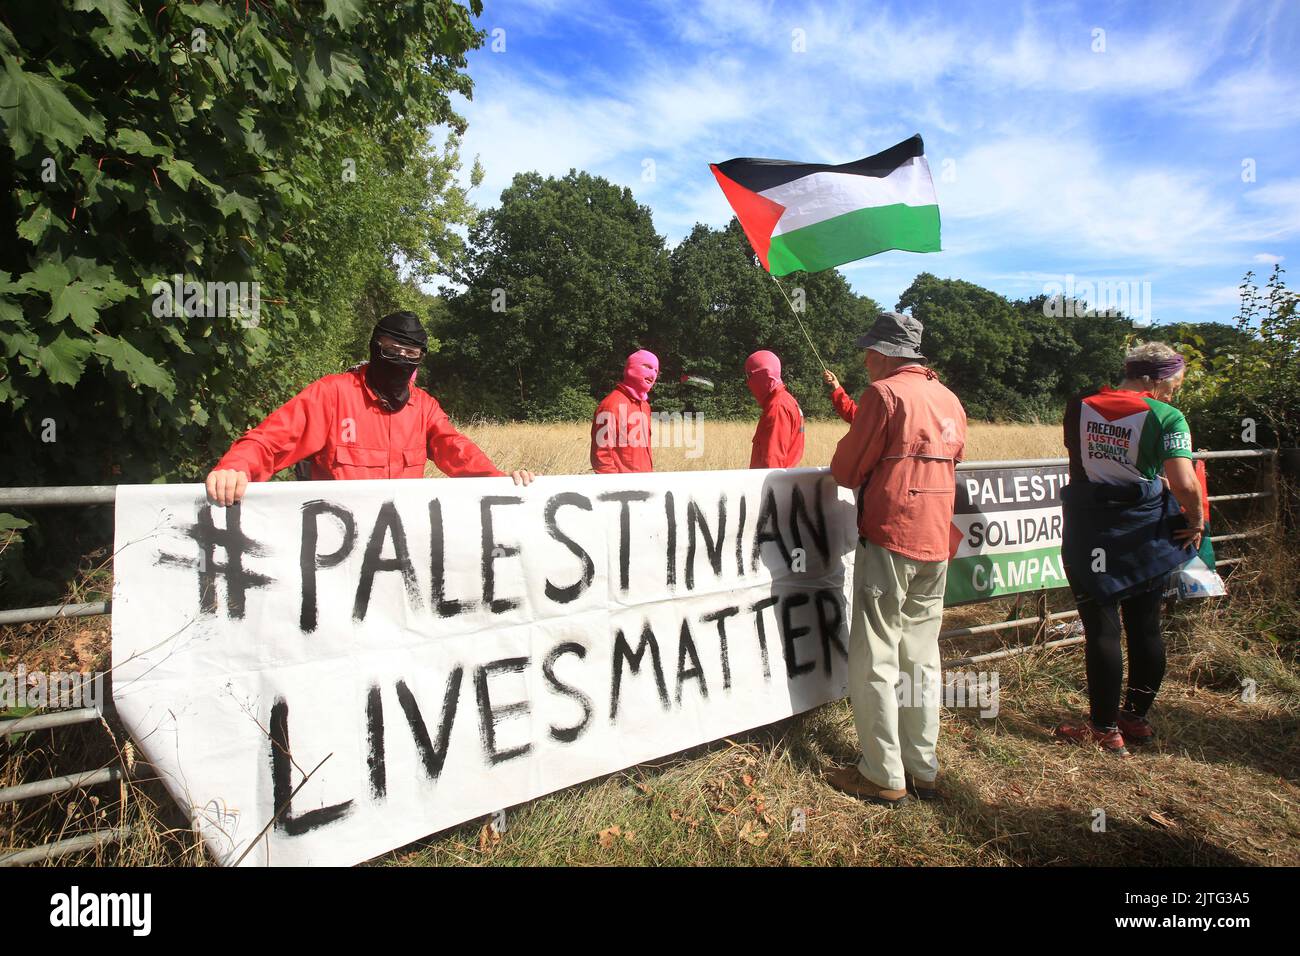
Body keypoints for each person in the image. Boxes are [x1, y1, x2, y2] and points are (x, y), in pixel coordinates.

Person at [826, 311, 967, 805]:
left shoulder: (884, 395)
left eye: (868, 352)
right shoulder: (948, 397)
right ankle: (922, 766)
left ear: (885, 354)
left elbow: (845, 469)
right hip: (936, 538)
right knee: (921, 656)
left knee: (875, 655)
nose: (865, 361)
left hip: (890, 536)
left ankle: (882, 773)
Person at [205, 311, 534, 505]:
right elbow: (271, 440)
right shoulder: (333, 395)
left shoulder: (424, 408)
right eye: (393, 350)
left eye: (412, 354)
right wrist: (236, 468)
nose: (402, 360)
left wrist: (500, 482)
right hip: (334, 552)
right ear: (375, 348)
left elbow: (456, 450)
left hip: (396, 551)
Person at [1054, 341, 1203, 756]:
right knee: (1145, 625)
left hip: (1090, 526)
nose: (1174, 392)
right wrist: (1195, 520)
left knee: (1102, 628)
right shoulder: (1168, 417)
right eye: (1173, 383)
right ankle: (1133, 718)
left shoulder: (1079, 404)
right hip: (1144, 529)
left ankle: (1103, 727)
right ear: (1154, 378)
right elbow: (1185, 482)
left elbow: (1078, 458)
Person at [590, 350, 659, 474]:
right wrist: (617, 490)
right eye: (647, 367)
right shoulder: (611, 405)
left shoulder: (644, 405)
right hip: (624, 489)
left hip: (644, 485)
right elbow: (601, 458)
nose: (653, 374)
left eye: (656, 371)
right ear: (632, 367)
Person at [746, 350, 805, 468]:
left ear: (763, 375)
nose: (747, 382)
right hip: (782, 483)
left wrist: (765, 486)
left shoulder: (777, 408)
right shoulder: (786, 400)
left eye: (749, 376)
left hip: (769, 485)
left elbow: (773, 463)